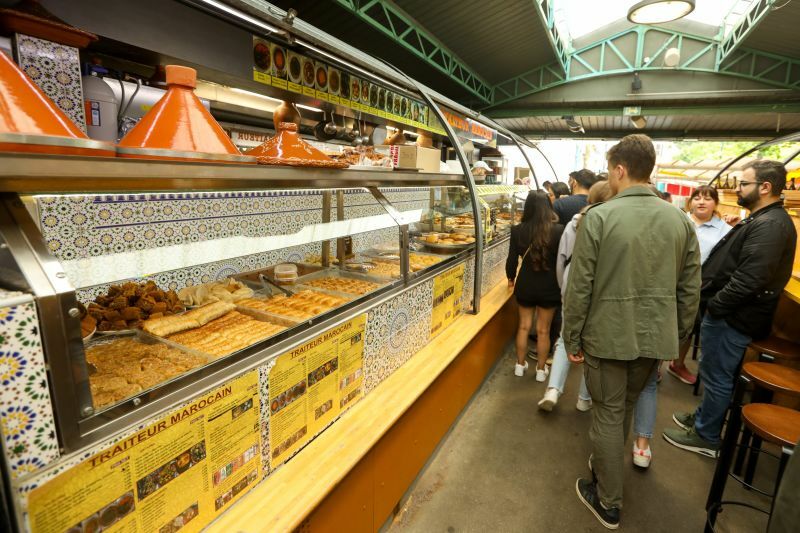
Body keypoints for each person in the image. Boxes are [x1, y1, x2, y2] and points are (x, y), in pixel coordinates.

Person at [564, 134, 701, 529]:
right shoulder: (680, 220)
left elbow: (581, 287)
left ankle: (607, 500)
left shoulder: (600, 217)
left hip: (607, 336)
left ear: (620, 170)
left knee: (607, 414)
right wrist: (676, 339)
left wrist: (571, 336)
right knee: (622, 407)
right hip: (655, 337)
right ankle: (606, 467)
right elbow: (690, 288)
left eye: (610, 170)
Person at [664, 160, 797, 457]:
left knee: (717, 375)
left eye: (744, 184)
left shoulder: (771, 225)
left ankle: (706, 435)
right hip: (729, 313)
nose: (738, 188)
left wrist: (716, 307)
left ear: (765, 187)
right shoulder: (763, 219)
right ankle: (704, 417)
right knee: (714, 373)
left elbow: (751, 278)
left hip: (733, 317)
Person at [538, 180, 614, 413]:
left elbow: (562, 259)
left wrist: (564, 288)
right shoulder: (614, 223)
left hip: (572, 284)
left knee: (564, 338)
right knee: (593, 344)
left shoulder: (575, 223)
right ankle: (584, 398)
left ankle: (553, 390)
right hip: (602, 288)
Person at [667, 186, 732, 385]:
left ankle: (677, 364)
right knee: (662, 321)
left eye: (707, 198)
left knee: (689, 324)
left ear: (715, 203)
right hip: (669, 279)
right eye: (697, 198)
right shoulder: (677, 219)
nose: (702, 202)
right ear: (690, 202)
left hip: (700, 286)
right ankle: (652, 367)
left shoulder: (725, 230)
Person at [506, 191, 564, 382]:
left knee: (523, 327)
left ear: (528, 207)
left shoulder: (518, 230)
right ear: (548, 207)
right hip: (550, 286)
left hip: (526, 285)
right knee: (543, 331)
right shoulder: (559, 231)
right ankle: (540, 370)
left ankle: (519, 365)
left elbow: (512, 259)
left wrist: (511, 279)